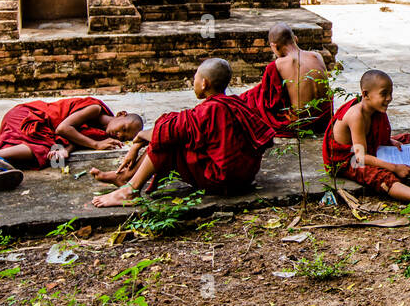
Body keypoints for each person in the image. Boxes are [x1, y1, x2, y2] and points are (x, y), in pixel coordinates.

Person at [91, 58, 274, 207]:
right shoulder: (234, 103)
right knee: (169, 133)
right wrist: (138, 142)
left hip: (223, 180)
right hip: (245, 176)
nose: (193, 82)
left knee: (167, 141)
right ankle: (124, 178)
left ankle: (130, 190)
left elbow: (164, 131)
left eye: (194, 78)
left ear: (204, 84)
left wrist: (137, 142)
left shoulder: (209, 110)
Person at [0, 97, 142, 192]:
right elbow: (63, 128)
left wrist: (65, 150)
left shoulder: (100, 133)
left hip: (44, 130)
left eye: (124, 136)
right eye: (124, 127)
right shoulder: (94, 109)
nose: (119, 134)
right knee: (43, 150)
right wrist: (96, 145)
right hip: (28, 116)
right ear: (121, 114)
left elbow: (76, 138)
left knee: (43, 156)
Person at [323, 69, 410, 203]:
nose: (389, 98)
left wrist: (389, 141)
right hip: (349, 159)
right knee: (383, 177)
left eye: (390, 93)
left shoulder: (375, 109)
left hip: (362, 148)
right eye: (384, 94)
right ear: (366, 94)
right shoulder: (356, 116)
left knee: (405, 140)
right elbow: (360, 157)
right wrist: (395, 168)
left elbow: (375, 134)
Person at [240, 22, 333, 137]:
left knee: (250, 100)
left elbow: (270, 102)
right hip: (324, 119)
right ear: (296, 39)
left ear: (274, 46)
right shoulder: (317, 56)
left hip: (301, 123)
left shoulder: (278, 64)